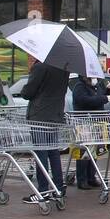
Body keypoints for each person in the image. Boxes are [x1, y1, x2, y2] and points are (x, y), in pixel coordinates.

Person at [19, 56, 70, 204]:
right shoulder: (63, 68)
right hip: (55, 115)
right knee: (53, 152)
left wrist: (32, 72)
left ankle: (43, 191)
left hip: (40, 116)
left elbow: (27, 93)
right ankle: (58, 188)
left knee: (41, 153)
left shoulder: (40, 67)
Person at [71, 75, 110, 190]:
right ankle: (82, 179)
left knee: (94, 152)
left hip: (97, 122)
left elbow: (103, 97)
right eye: (92, 77)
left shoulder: (97, 86)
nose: (95, 78)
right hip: (84, 123)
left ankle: (91, 177)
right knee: (84, 153)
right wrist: (104, 98)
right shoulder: (80, 87)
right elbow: (85, 101)